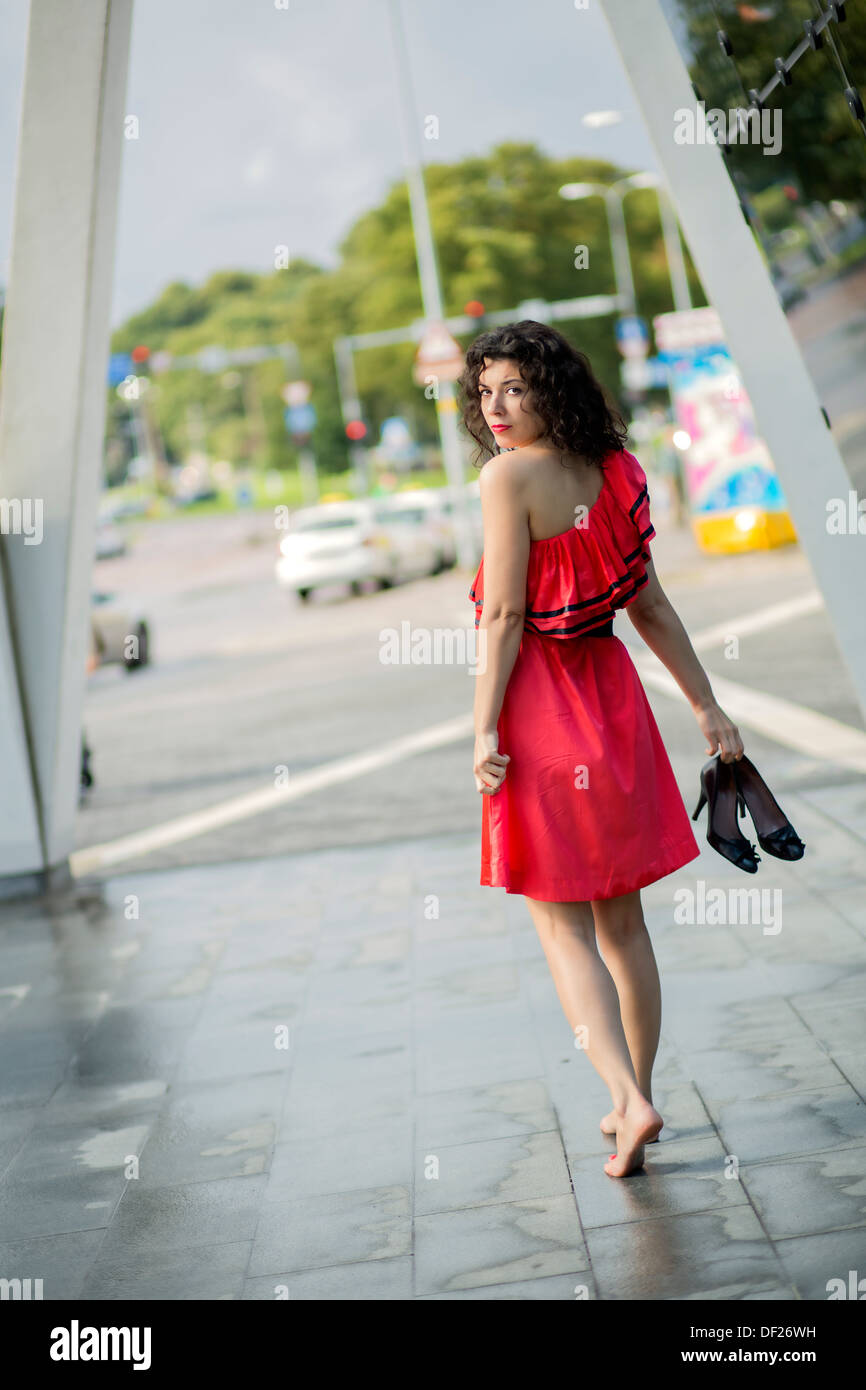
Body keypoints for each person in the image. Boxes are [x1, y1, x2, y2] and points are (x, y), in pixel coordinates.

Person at [458, 321, 744, 1179]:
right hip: (614, 708)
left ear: (551, 388)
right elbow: (650, 606)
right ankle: (631, 1102)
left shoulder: (506, 479)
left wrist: (481, 727)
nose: (496, 408)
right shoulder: (617, 471)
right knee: (624, 924)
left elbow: (505, 617)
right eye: (484, 392)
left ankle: (630, 1096)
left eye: (513, 387)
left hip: (541, 713)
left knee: (561, 926)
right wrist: (708, 707)